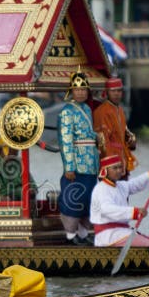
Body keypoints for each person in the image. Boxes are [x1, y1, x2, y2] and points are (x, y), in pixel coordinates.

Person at [57, 71, 100, 245]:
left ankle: (83, 233)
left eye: (84, 89)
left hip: (91, 163)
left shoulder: (87, 109)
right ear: (71, 91)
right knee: (73, 198)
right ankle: (70, 235)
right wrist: (69, 166)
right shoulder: (67, 111)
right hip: (77, 163)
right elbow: (66, 140)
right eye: (77, 89)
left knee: (88, 198)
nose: (81, 92)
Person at [90, 155, 149, 247]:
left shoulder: (121, 185)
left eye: (120, 167)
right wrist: (135, 211)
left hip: (121, 231)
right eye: (115, 168)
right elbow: (106, 209)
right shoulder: (101, 188)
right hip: (109, 234)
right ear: (105, 171)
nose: (119, 171)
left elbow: (136, 183)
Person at [93, 78, 137, 178]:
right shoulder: (102, 111)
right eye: (113, 91)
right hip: (111, 166)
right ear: (107, 92)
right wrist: (111, 166)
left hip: (122, 161)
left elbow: (125, 133)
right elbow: (102, 141)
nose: (117, 93)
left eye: (119, 90)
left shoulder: (120, 110)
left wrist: (132, 140)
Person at [0, 136, 36, 201]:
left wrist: (31, 191)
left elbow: (33, 186)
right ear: (3, 149)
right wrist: (21, 191)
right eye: (13, 148)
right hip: (1, 208)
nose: (16, 151)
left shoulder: (20, 164)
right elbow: (0, 193)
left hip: (24, 206)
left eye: (16, 148)